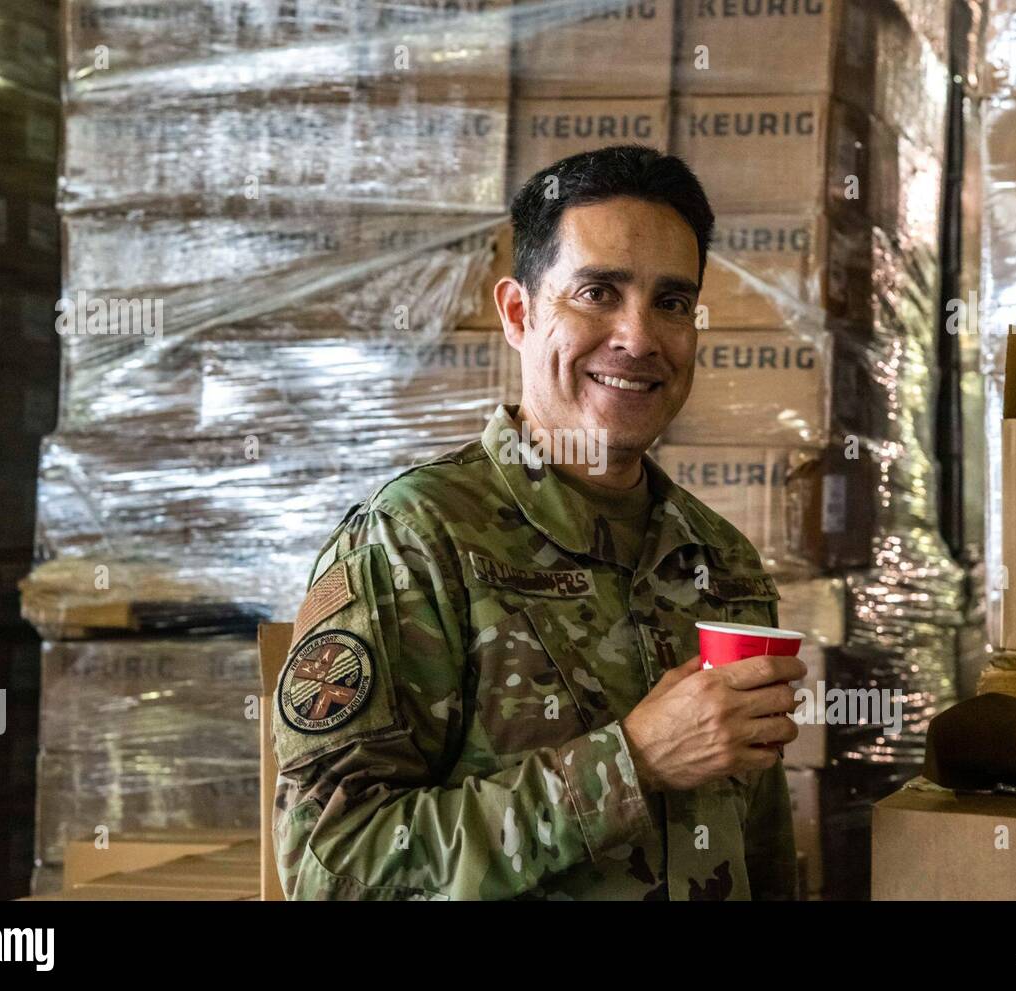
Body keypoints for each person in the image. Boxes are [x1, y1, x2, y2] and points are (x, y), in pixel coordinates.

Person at [272, 144, 805, 900]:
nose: (639, 337)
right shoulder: (416, 541)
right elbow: (331, 866)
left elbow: (762, 853)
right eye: (597, 292)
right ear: (519, 313)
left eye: (672, 302)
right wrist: (632, 762)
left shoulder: (722, 563)